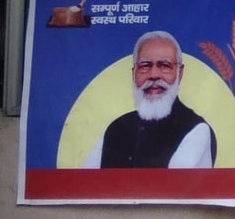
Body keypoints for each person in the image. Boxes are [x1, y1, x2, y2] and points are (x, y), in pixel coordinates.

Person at [87, 31, 213, 168]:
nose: (153, 75)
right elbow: (85, 178)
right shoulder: (116, 128)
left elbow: (173, 181)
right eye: (145, 66)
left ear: (179, 73)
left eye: (164, 66)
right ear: (134, 73)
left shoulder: (196, 130)